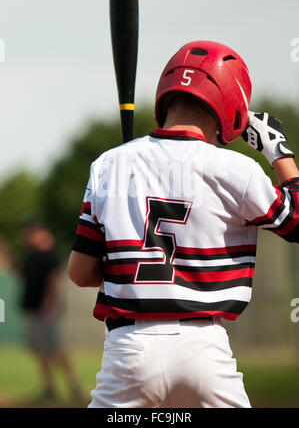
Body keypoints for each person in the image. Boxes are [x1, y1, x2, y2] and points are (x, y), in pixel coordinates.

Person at [68, 41, 299, 408]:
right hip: (204, 352)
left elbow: (80, 273)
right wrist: (278, 152)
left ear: (165, 95)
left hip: (129, 352)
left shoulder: (108, 165)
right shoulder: (237, 170)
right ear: (233, 108)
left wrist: (130, 265)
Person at [19, 220, 83, 403]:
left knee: (56, 349)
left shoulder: (50, 254)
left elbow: (56, 279)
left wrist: (51, 303)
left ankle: (74, 386)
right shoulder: (31, 256)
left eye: (30, 232)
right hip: (33, 309)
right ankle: (49, 388)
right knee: (41, 351)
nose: (27, 237)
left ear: (40, 232)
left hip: (47, 310)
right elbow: (23, 275)